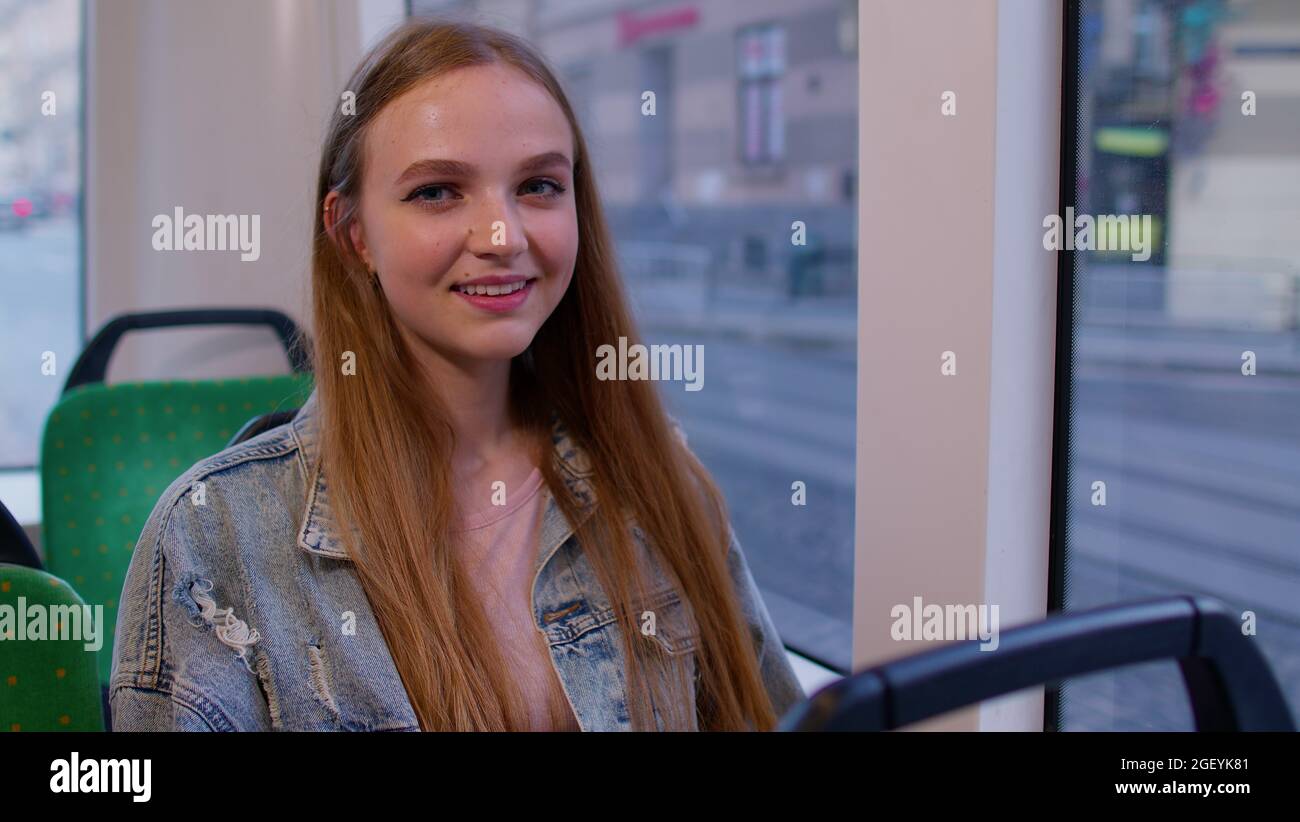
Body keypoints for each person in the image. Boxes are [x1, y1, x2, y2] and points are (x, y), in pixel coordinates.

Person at [110, 17, 802, 732]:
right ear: (353, 235)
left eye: (538, 185)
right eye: (438, 192)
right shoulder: (212, 541)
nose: (502, 237)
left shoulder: (656, 477)